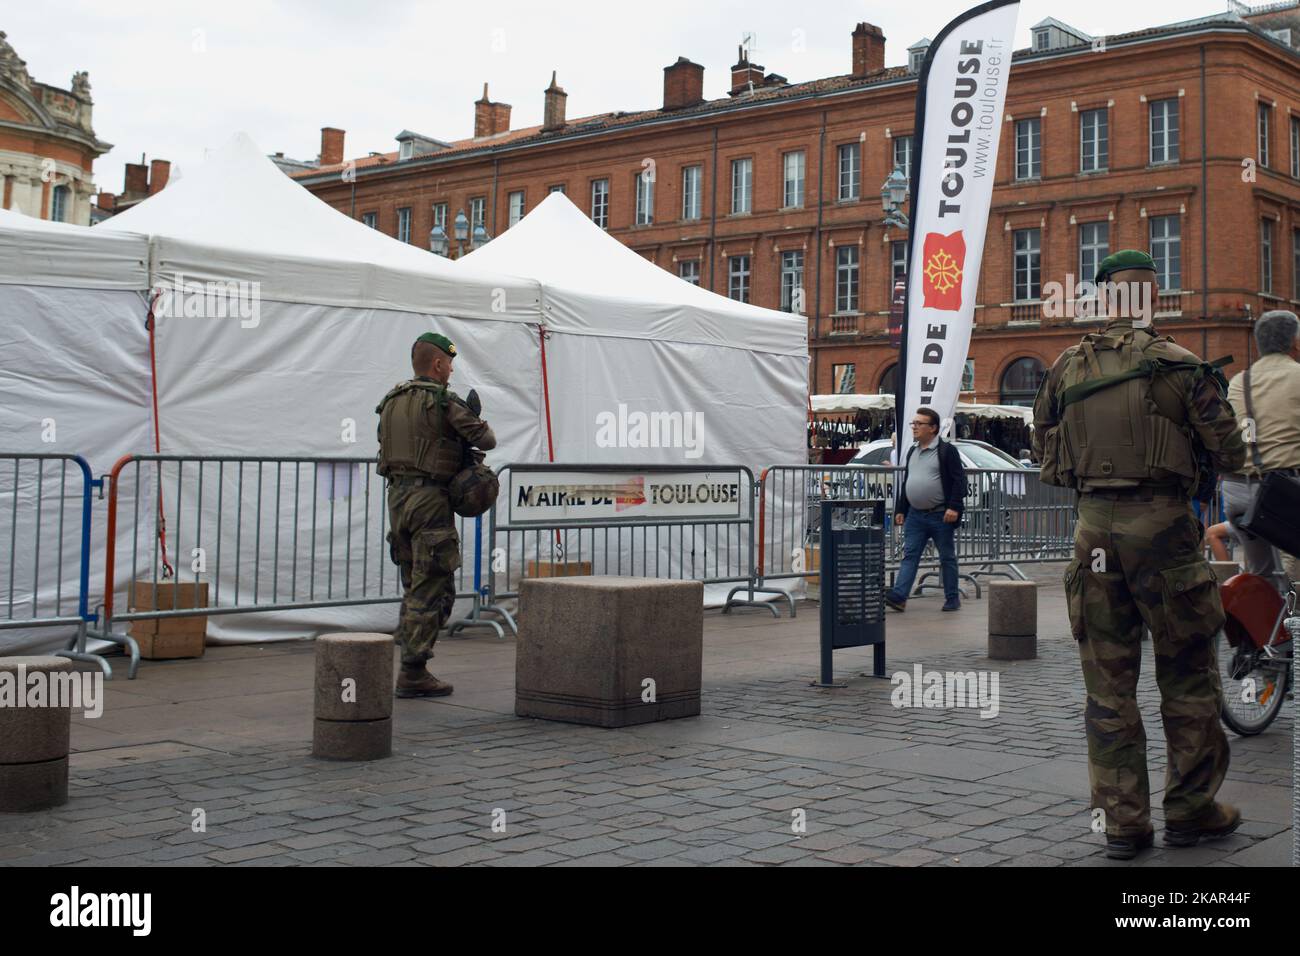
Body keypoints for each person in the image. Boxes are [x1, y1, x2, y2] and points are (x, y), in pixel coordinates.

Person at [1033, 249, 1247, 860]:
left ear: (1102, 301)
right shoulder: (1181, 366)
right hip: (1166, 531)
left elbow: (1043, 441)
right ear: (1152, 297)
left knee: (1107, 685)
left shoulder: (1067, 368)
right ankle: (1191, 810)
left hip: (1092, 530)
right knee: (1187, 675)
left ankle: (1123, 824)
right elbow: (1231, 453)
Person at [376, 332, 496, 698]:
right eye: (450, 365)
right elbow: (487, 440)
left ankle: (408, 651)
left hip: (398, 499)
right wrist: (473, 419)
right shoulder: (443, 401)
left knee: (415, 580)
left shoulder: (390, 401)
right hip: (430, 501)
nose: (450, 372)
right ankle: (413, 670)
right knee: (434, 585)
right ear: (438, 364)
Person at [1223, 310, 1300, 584]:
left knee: (1261, 578)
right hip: (1286, 492)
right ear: (1295, 341)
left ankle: (1262, 622)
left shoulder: (1238, 382)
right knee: (1294, 581)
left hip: (1238, 492)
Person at [884, 407, 967, 612]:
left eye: (919, 424)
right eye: (914, 423)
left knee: (946, 556)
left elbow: (959, 481)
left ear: (933, 428)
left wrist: (954, 507)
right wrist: (901, 509)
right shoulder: (913, 450)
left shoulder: (947, 451)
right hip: (915, 515)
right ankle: (900, 597)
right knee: (910, 555)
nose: (914, 427)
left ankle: (952, 598)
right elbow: (907, 482)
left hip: (940, 514)